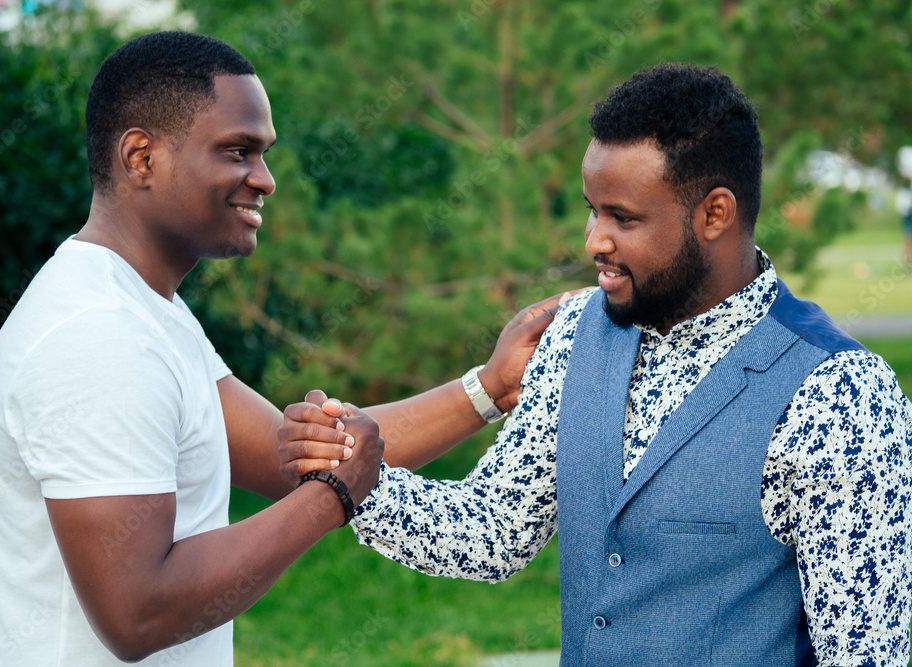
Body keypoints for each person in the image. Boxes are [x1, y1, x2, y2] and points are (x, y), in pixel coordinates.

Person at [0, 31, 566, 666]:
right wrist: (329, 498)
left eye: (263, 154)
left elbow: (287, 454)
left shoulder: (148, 311)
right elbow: (137, 612)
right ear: (141, 157)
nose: (265, 181)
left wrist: (489, 387)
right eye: (237, 152)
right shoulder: (97, 335)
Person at [280, 63, 912, 666]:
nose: (593, 241)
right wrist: (360, 477)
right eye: (593, 208)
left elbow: (866, 652)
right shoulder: (574, 331)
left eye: (623, 218)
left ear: (714, 214)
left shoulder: (843, 396)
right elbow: (495, 529)